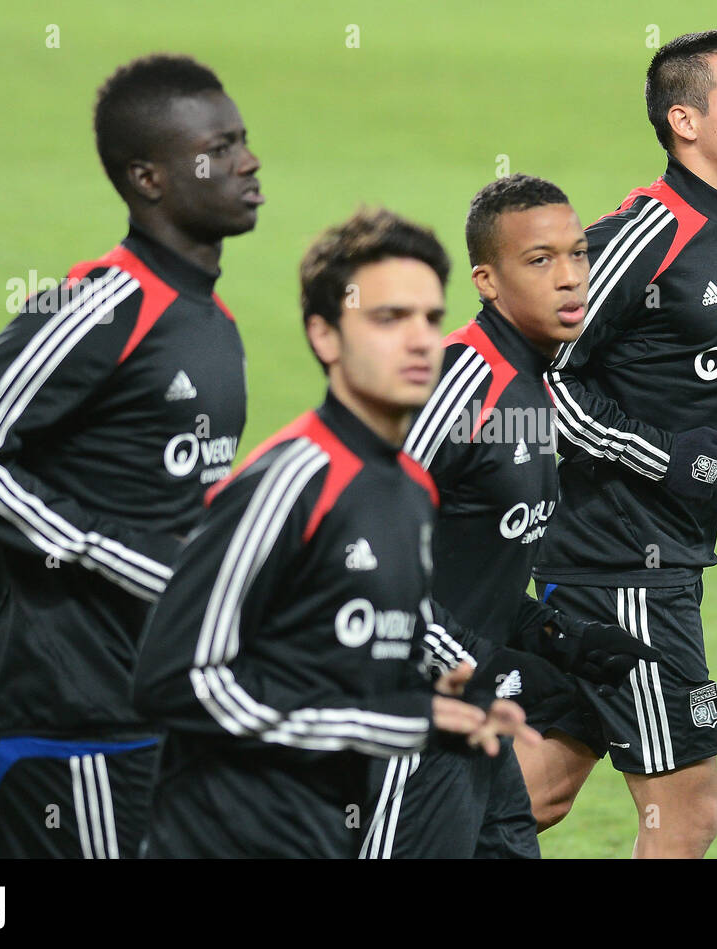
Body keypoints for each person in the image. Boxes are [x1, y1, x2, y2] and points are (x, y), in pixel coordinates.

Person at [0, 54, 260, 858]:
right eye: (219, 148)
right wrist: (108, 549)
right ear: (148, 178)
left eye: (243, 140)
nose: (248, 161)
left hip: (133, 697)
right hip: (77, 707)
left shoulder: (212, 320)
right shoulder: (102, 303)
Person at [132, 208, 538, 858]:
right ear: (325, 335)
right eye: (388, 318)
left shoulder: (408, 491)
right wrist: (378, 722)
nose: (420, 341)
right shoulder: (290, 482)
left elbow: (348, 663)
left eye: (429, 318)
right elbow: (175, 679)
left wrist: (439, 711)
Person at [524, 30, 717, 857]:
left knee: (534, 791)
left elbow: (677, 359)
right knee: (685, 812)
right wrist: (662, 455)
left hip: (649, 559)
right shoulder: (643, 233)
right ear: (685, 121)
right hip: (619, 566)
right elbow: (538, 374)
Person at [362, 175, 659, 859]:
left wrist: (556, 635)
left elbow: (468, 561)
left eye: (578, 254)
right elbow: (359, 555)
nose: (570, 277)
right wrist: (477, 663)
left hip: (469, 718)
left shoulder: (531, 384)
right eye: (540, 260)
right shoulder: (459, 385)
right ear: (487, 281)